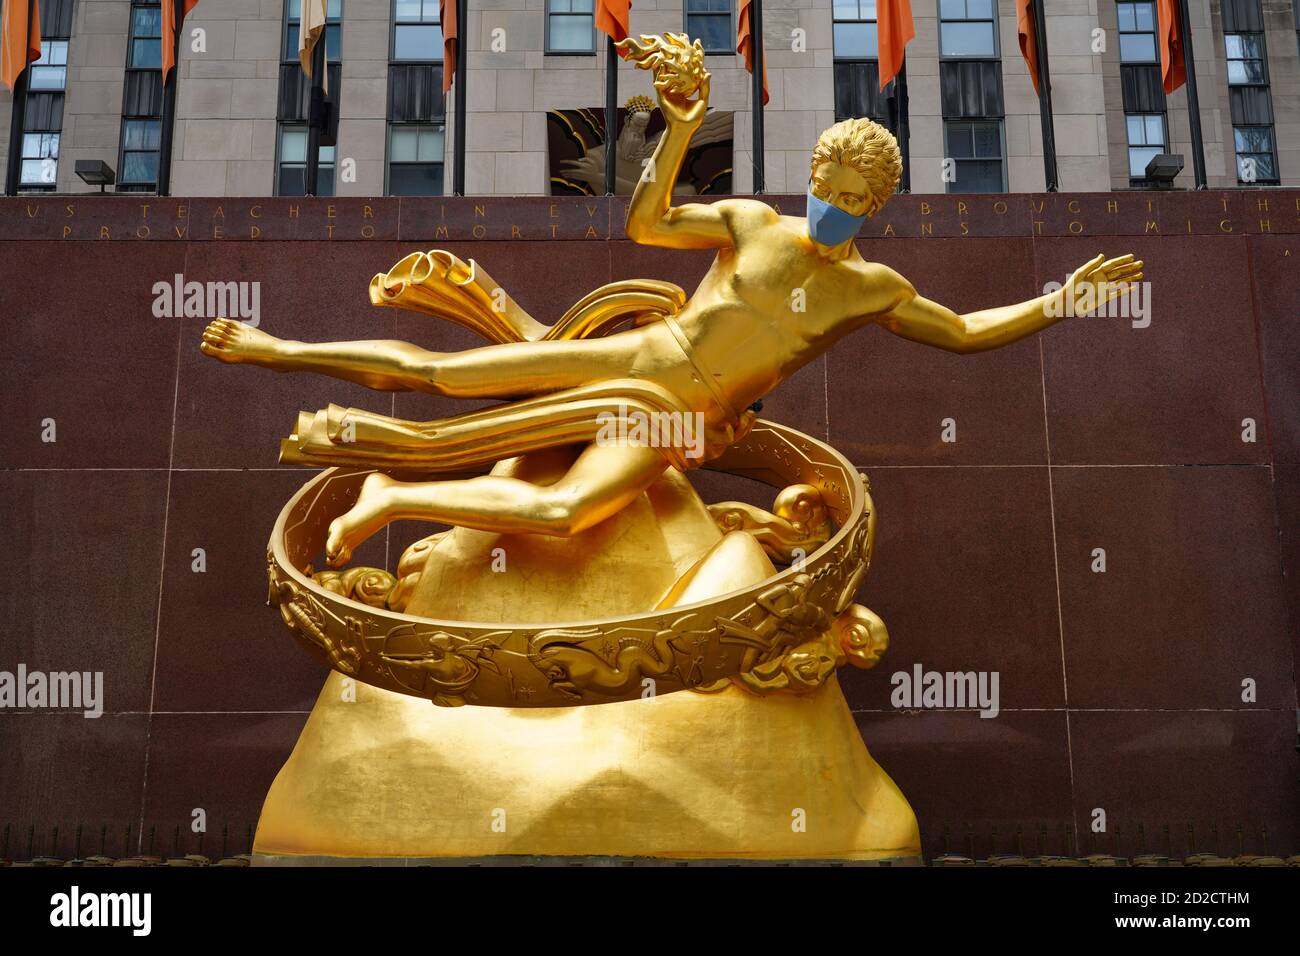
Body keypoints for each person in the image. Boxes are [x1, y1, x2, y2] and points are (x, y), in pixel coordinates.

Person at [201, 33, 1142, 566]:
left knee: (568, 515)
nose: (831, 203)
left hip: (682, 421)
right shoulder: (751, 222)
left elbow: (966, 331)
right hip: (642, 355)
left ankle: (389, 497)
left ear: (877, 205)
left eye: (852, 198)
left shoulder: (871, 289)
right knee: (450, 376)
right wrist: (682, 126)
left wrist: (1060, 302)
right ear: (811, 175)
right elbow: (647, 224)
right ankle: (280, 349)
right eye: (825, 184)